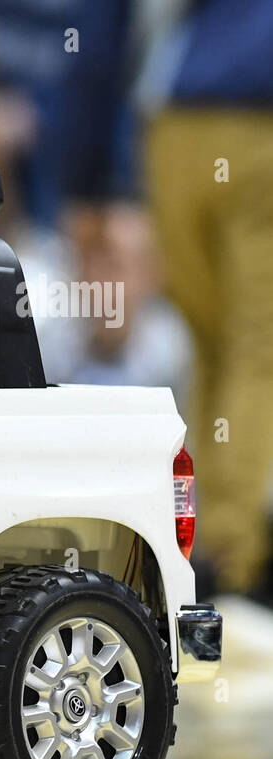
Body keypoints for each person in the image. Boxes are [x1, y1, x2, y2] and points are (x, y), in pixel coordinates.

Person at [142, 0, 273, 597]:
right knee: (256, 351)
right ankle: (228, 554)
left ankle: (181, 542)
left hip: (176, 125)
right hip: (256, 128)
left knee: (209, 347)